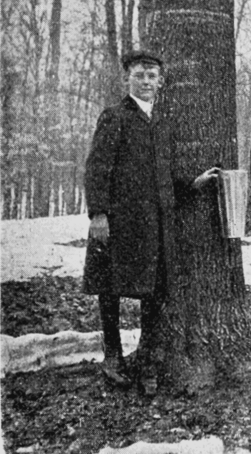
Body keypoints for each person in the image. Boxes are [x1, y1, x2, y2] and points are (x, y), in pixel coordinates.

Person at [83, 50, 218, 388]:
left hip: (155, 225)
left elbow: (166, 175)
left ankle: (149, 364)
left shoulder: (161, 123)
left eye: (152, 76)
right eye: (139, 75)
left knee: (154, 293)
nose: (146, 82)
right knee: (111, 288)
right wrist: (98, 214)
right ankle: (112, 355)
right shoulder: (114, 116)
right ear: (127, 78)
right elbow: (97, 168)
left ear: (161, 81)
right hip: (120, 222)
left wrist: (193, 183)